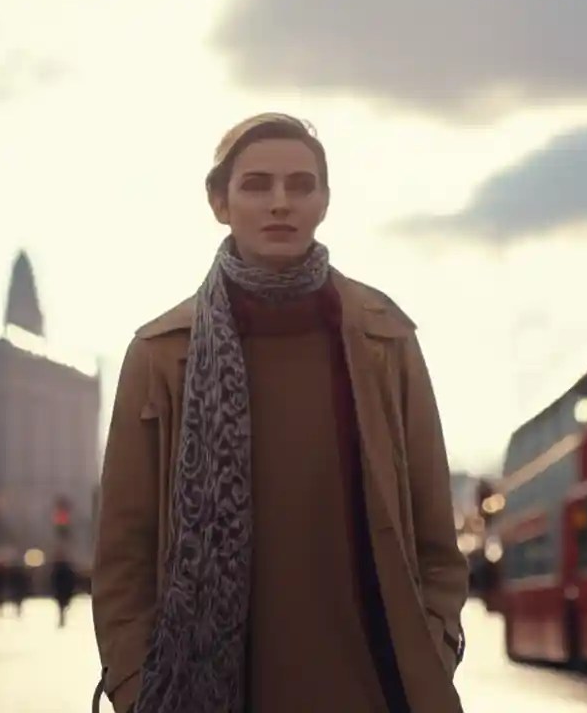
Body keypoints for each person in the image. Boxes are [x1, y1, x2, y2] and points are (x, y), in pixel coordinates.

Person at [92, 113, 468, 713]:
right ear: (220, 203)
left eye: (300, 185)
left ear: (324, 202)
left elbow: (435, 535)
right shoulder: (161, 353)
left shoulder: (385, 339)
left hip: (375, 690)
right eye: (256, 185)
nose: (280, 203)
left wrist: (434, 646)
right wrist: (138, 688)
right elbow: (123, 554)